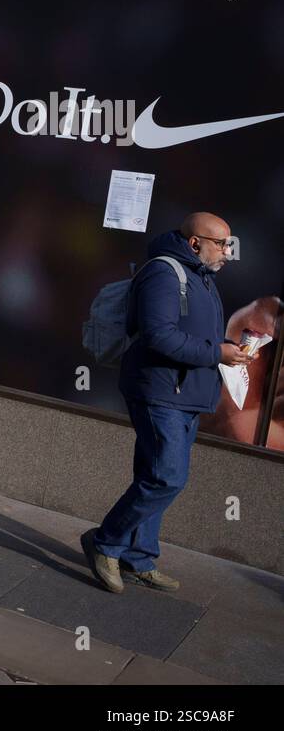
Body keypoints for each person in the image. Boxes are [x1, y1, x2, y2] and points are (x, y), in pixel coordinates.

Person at [81, 212, 253, 593]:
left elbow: (198, 336)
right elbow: (159, 336)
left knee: (152, 474)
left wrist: (231, 353)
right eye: (222, 244)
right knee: (167, 477)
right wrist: (217, 354)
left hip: (186, 394)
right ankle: (105, 542)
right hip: (160, 393)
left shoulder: (203, 277)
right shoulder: (164, 273)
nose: (228, 251)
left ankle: (138, 557)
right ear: (196, 244)